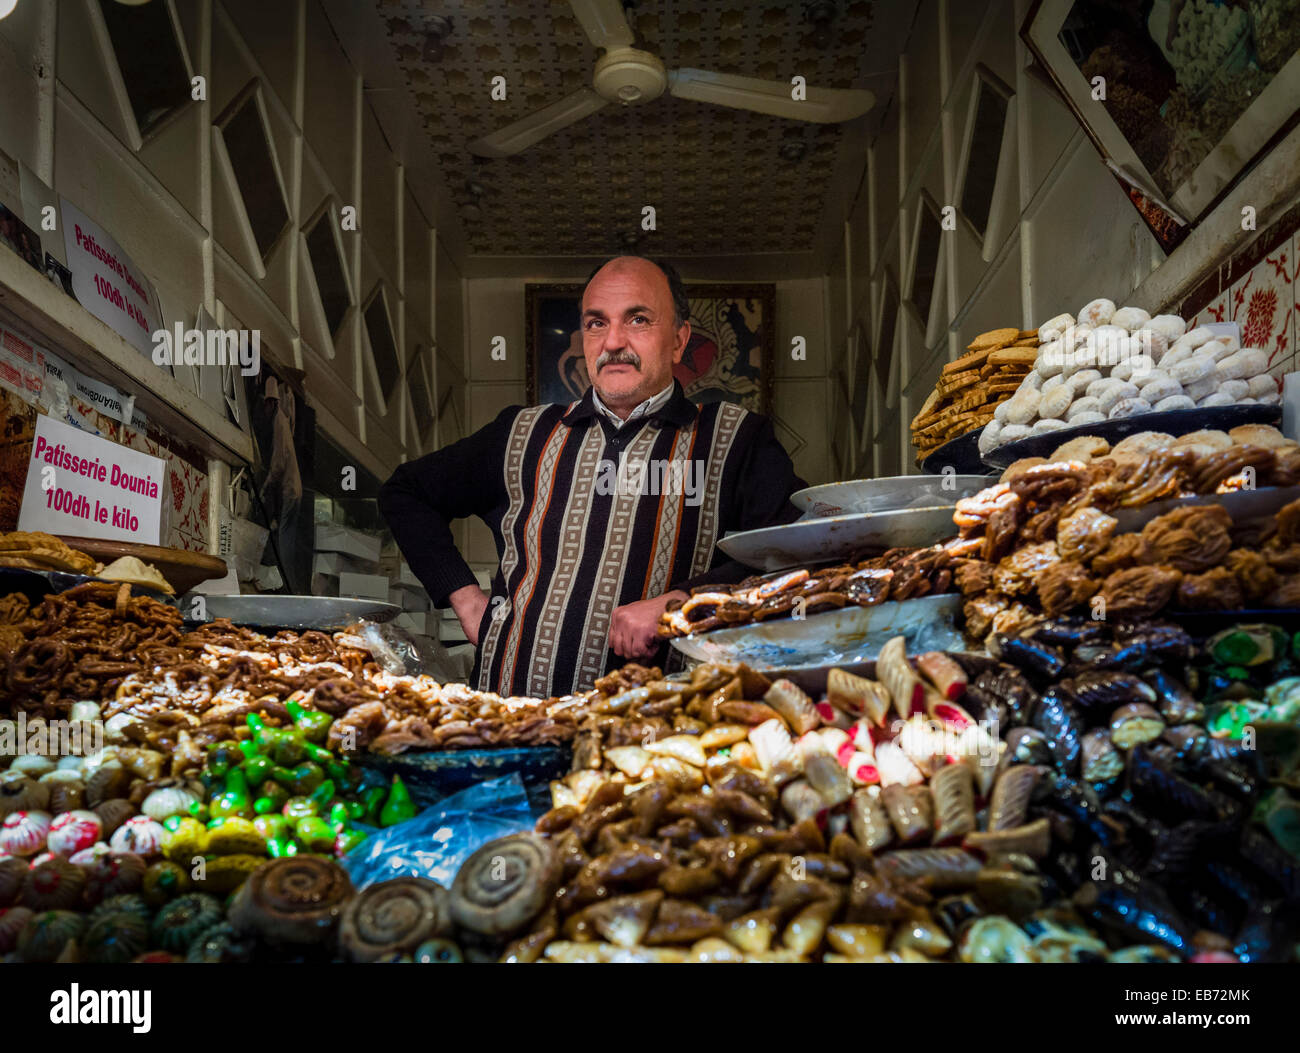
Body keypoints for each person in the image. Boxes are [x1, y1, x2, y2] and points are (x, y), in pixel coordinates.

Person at [379, 255, 804, 697]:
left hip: (652, 740)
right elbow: (405, 493)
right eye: (596, 323)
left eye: (637, 319)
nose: (614, 341)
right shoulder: (521, 432)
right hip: (507, 721)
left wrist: (683, 600)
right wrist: (465, 600)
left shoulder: (735, 438)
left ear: (679, 341)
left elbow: (798, 547)